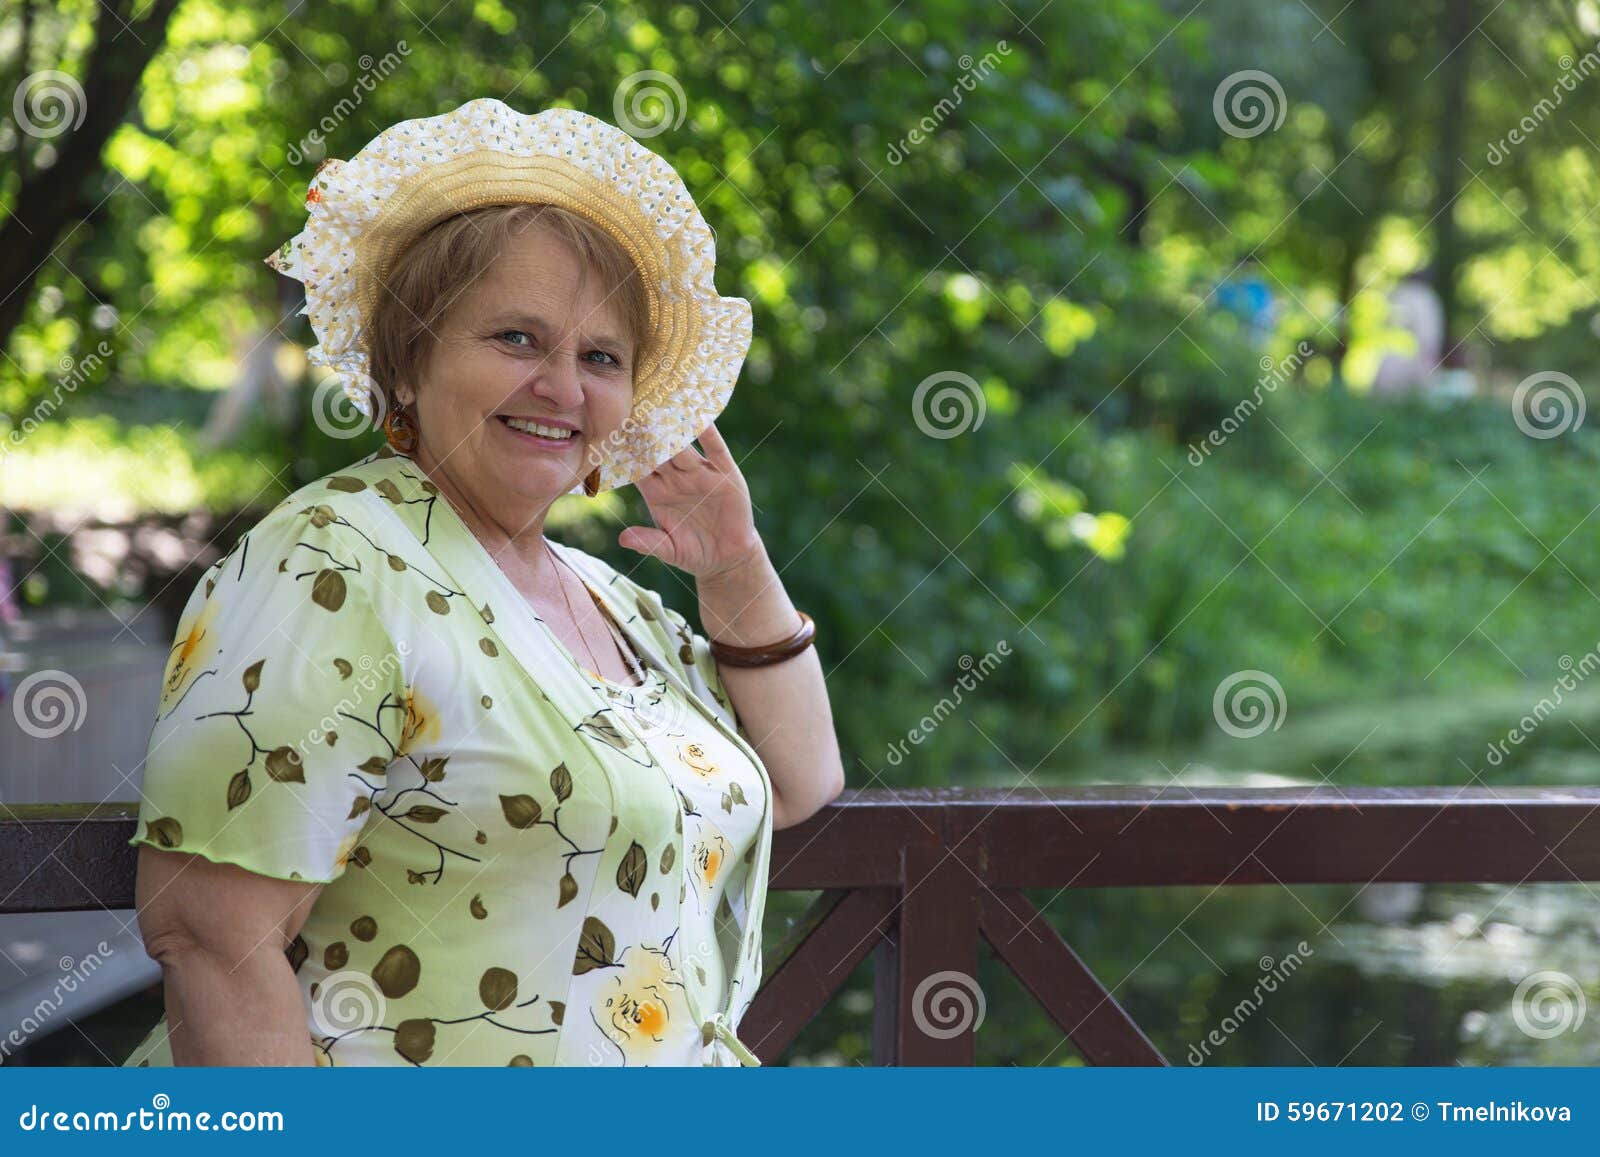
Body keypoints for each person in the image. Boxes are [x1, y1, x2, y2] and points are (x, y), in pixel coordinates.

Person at [121, 99, 845, 1068]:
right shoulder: (332, 562)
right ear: (409, 361)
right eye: (515, 338)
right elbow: (210, 937)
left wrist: (737, 568)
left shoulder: (608, 599)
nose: (561, 386)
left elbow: (801, 780)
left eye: (600, 357)